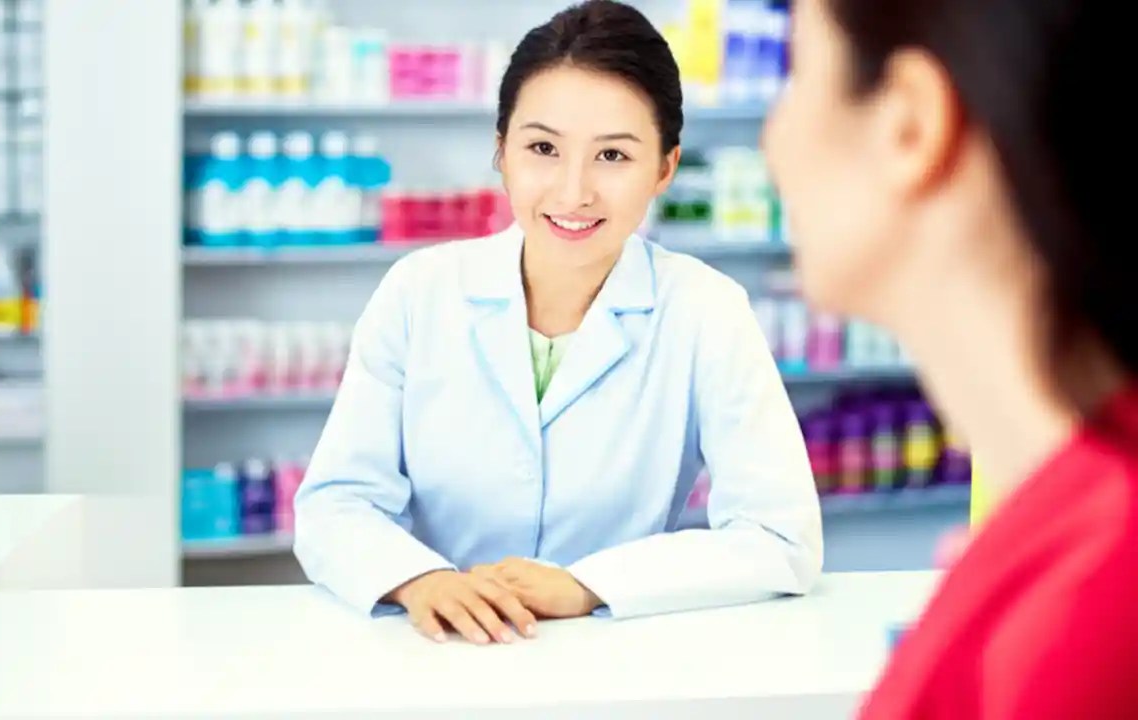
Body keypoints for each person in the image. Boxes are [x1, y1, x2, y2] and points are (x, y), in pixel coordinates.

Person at [293, 0, 822, 645]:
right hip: (440, 645)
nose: (573, 192)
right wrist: (420, 580)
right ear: (502, 150)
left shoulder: (706, 310)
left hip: (614, 648)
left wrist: (589, 585)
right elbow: (335, 504)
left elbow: (779, 537)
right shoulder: (419, 292)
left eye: (613, 155)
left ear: (665, 168)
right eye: (543, 148)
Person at [765, 0, 1136, 716]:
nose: (774, 141)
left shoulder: (1091, 620)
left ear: (910, 124)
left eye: (799, 72)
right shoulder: (1070, 535)